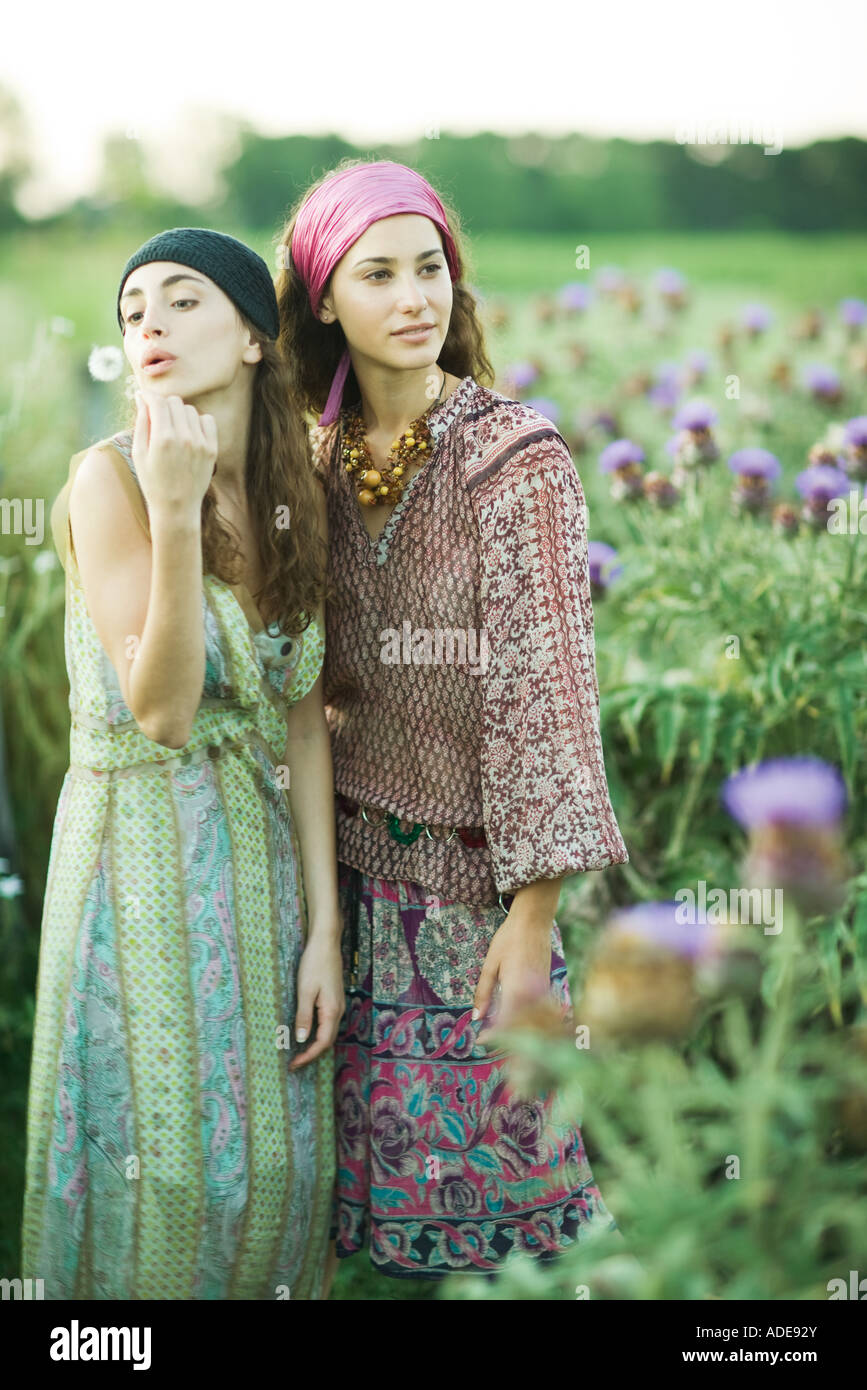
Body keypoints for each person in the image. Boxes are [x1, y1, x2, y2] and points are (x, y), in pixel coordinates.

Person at [276, 160, 630, 1283]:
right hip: (344, 886)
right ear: (325, 297)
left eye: (429, 268)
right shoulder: (312, 460)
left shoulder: (515, 459)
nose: (413, 297)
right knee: (367, 1225)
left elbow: (548, 690)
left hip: (481, 901)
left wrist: (533, 921)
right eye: (377, 274)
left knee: (531, 1228)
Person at [20, 228, 343, 1299]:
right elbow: (159, 707)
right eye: (133, 311)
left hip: (261, 880)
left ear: (254, 335)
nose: (148, 323)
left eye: (183, 299)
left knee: (277, 1165)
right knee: (163, 1173)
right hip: (139, 869)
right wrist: (172, 509)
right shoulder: (107, 482)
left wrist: (324, 929)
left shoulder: (297, 484)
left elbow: (300, 717)